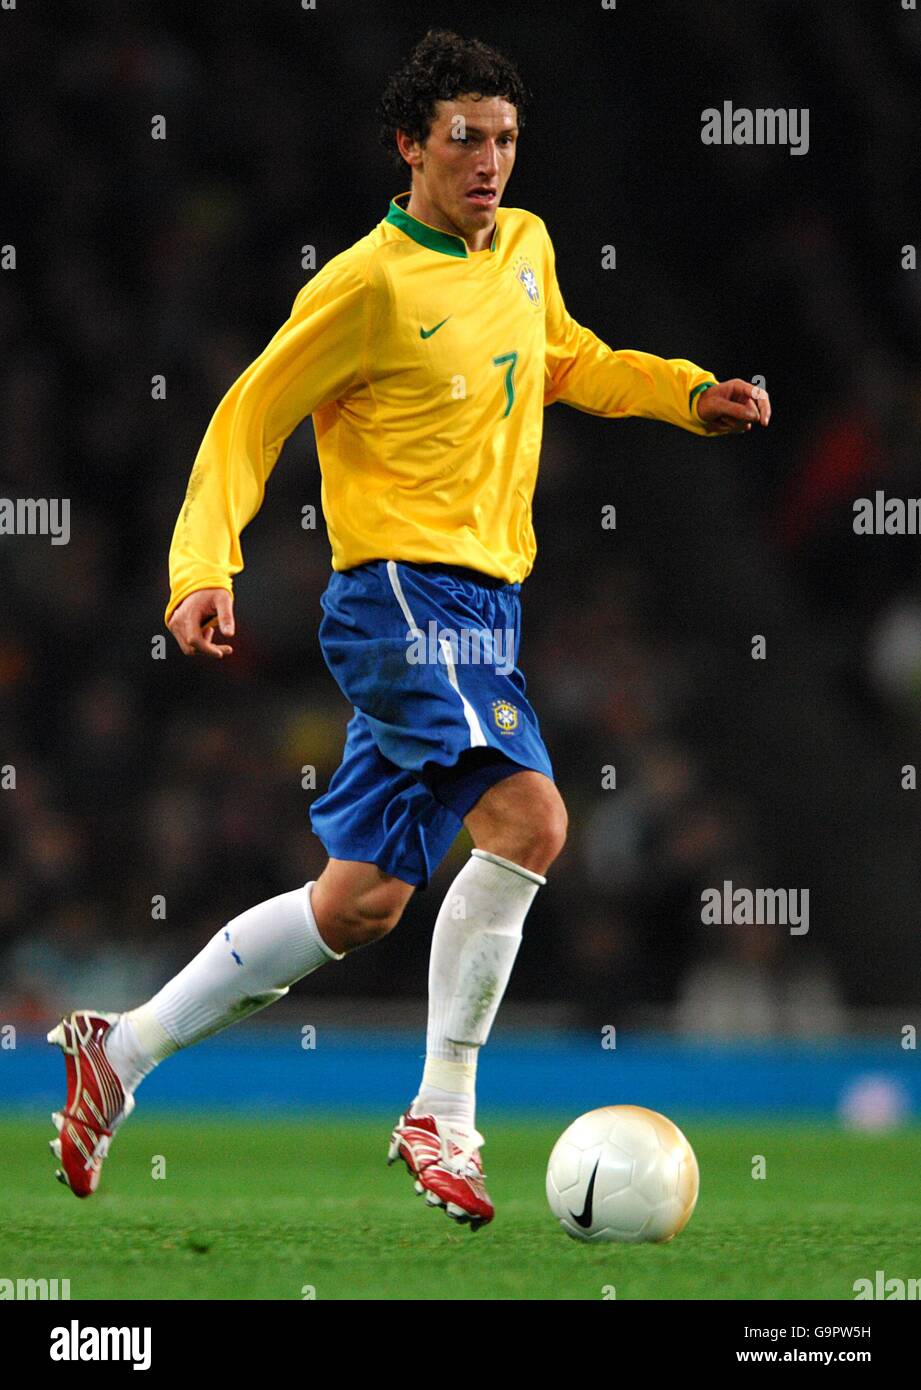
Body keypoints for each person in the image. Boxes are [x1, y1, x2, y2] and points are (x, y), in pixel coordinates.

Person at [48, 29, 770, 1229]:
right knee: (532, 818)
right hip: (396, 595)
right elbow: (247, 414)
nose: (489, 162)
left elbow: (570, 361)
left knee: (363, 902)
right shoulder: (365, 285)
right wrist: (200, 567)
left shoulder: (528, 248)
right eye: (465, 140)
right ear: (410, 146)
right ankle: (443, 1111)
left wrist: (689, 394)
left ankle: (115, 1054)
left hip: (486, 610)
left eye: (505, 140)